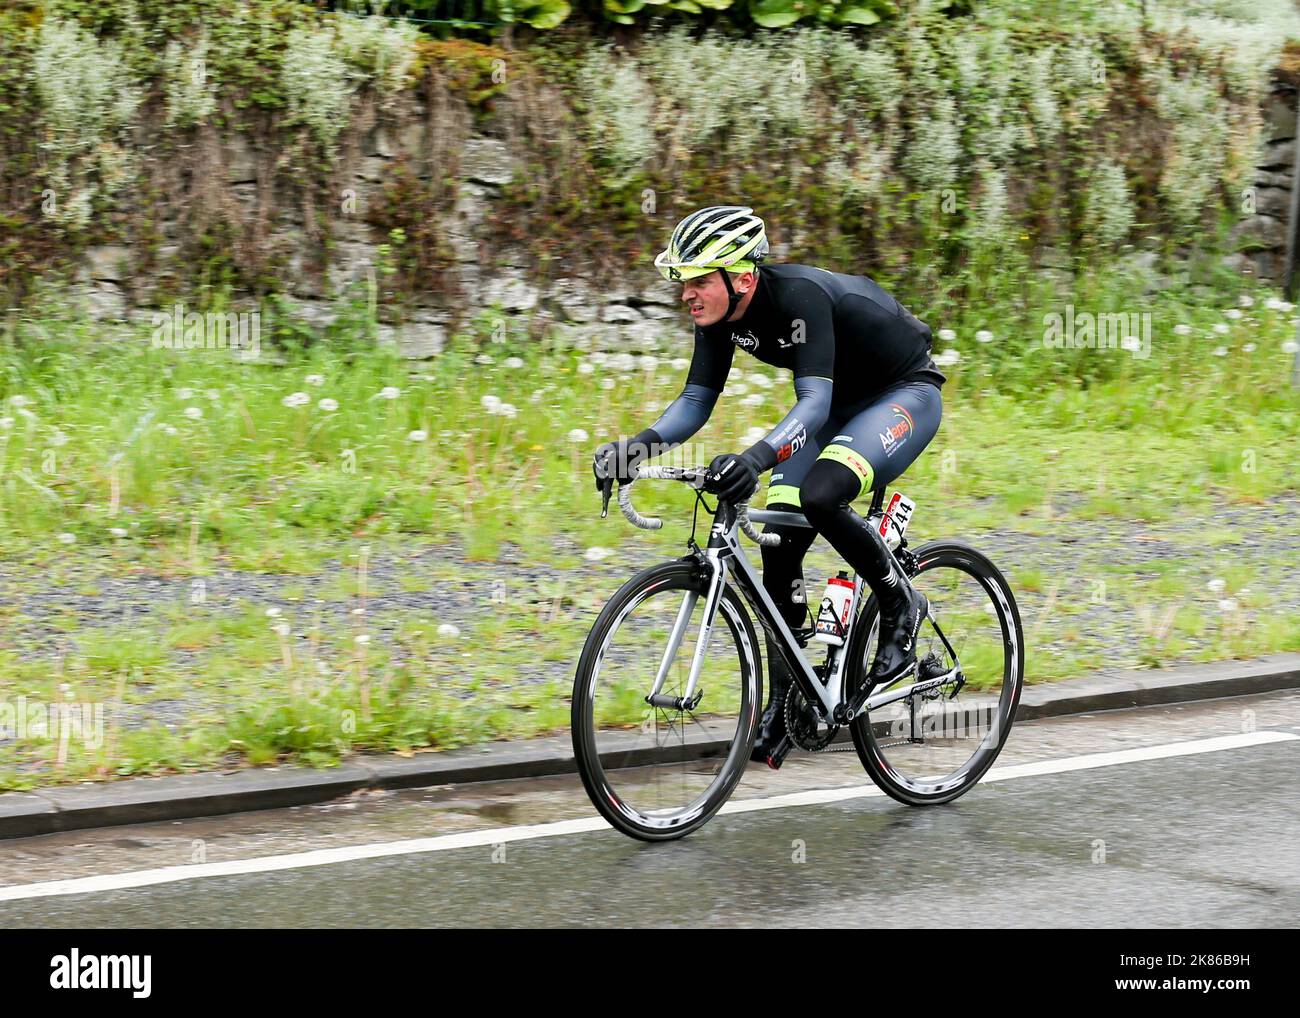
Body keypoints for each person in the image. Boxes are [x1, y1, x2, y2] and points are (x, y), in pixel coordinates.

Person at [593, 205, 945, 769]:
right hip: (838, 402)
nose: (688, 294)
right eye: (683, 283)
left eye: (700, 281)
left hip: (902, 393)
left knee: (822, 493)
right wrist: (633, 450)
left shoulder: (799, 298)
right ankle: (789, 696)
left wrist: (756, 459)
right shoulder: (719, 315)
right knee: (778, 536)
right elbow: (694, 403)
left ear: (744, 277)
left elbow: (814, 404)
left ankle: (899, 598)